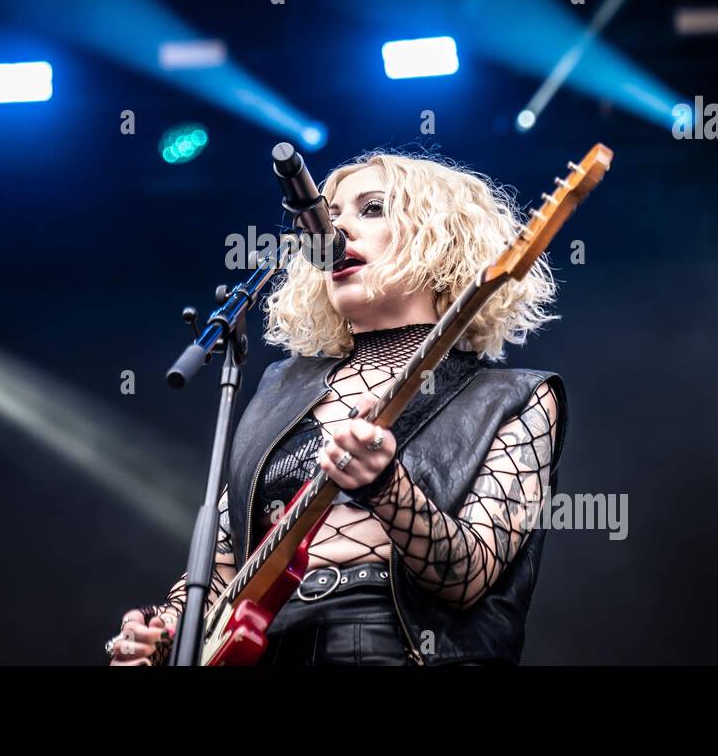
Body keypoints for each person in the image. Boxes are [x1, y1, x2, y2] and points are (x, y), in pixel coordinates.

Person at [108, 149, 567, 666]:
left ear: (443, 240)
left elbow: (466, 577)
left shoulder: (514, 398)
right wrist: (167, 627)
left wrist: (386, 488)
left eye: (372, 208)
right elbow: (223, 569)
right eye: (329, 217)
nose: (337, 229)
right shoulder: (281, 387)